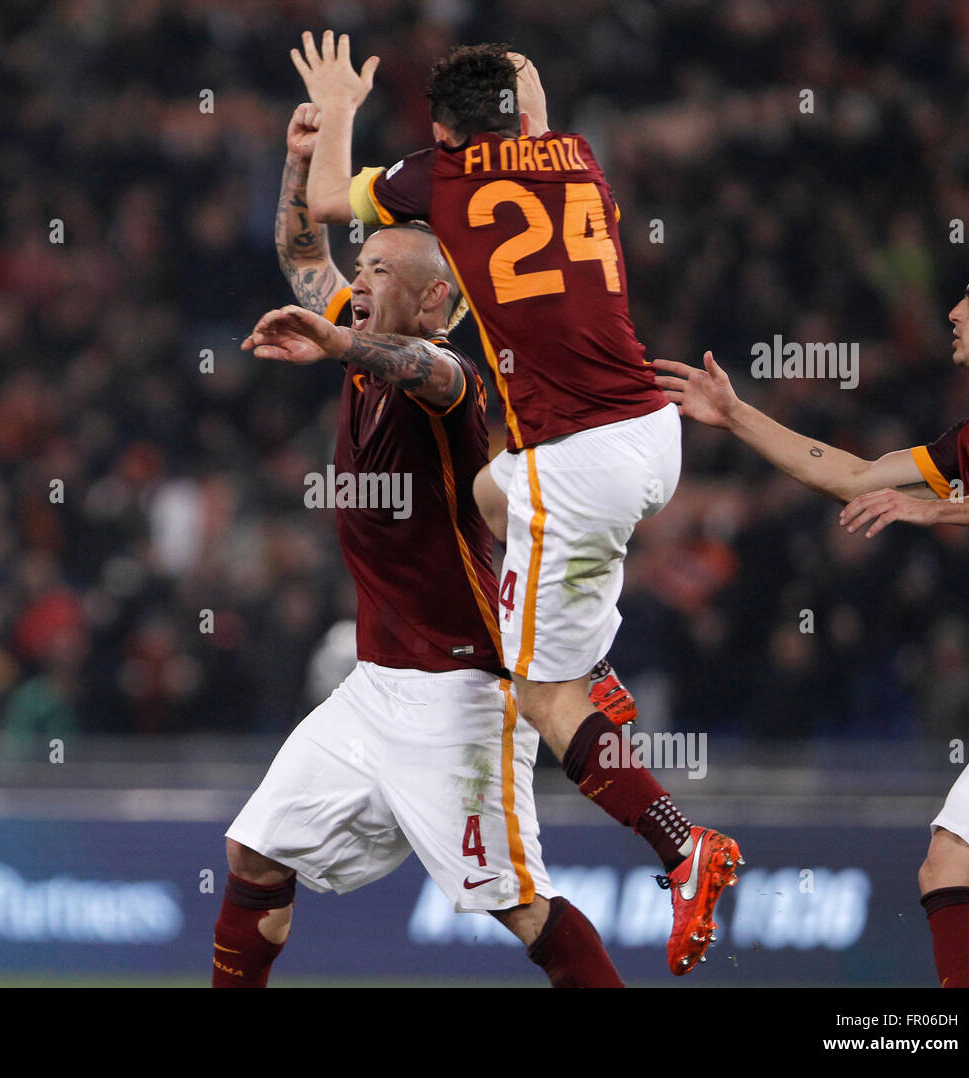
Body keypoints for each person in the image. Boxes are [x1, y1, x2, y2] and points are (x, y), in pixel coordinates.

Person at [292, 32, 741, 974]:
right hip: (651, 435)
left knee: (543, 693)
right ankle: (585, 663)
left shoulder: (441, 178)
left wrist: (334, 108)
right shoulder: (575, 158)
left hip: (577, 458)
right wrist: (519, 80)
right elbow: (525, 112)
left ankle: (680, 843)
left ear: (445, 130)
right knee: (483, 497)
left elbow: (330, 200)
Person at [212, 102, 624, 988]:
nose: (355, 283)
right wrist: (300, 161)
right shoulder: (360, 339)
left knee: (520, 904)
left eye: (379, 271)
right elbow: (300, 257)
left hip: (463, 691)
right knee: (254, 855)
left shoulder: (452, 378)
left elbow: (425, 369)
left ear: (436, 298)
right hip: (376, 685)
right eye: (358, 269)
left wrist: (339, 342)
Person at [653, 235, 969, 989]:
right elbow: (854, 476)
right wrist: (738, 416)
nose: (952, 311)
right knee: (950, 869)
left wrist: (937, 515)